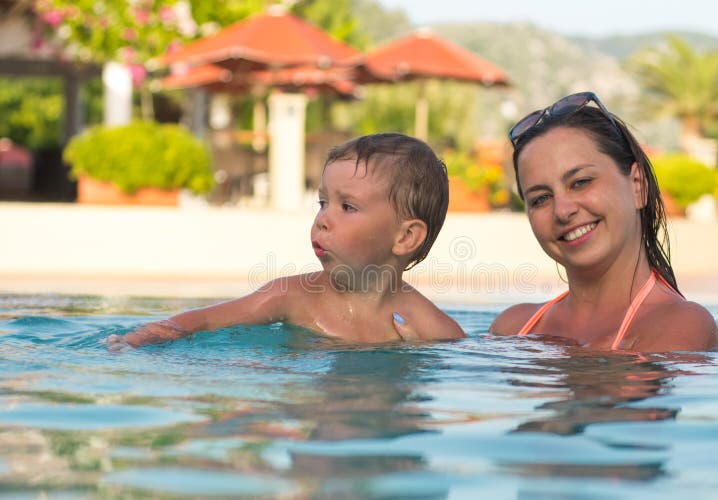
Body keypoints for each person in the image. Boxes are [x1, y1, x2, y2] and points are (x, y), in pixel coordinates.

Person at [107, 133, 465, 349]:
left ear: (405, 237)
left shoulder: (433, 328)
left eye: (348, 207)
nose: (322, 219)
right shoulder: (292, 297)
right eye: (323, 202)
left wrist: (416, 356)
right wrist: (142, 338)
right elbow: (204, 321)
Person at [490, 92, 718, 352]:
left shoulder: (682, 324)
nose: (563, 211)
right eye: (541, 198)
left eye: (581, 182)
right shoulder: (512, 328)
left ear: (637, 185)